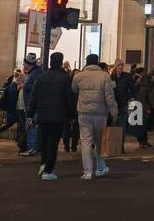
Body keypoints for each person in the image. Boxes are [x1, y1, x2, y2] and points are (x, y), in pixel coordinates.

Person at [71, 53, 118, 181]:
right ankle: (101, 168)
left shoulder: (78, 76)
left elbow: (74, 90)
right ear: (97, 62)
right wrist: (114, 112)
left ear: (86, 62)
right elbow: (109, 96)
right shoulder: (104, 76)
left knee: (86, 142)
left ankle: (87, 172)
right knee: (99, 142)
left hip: (84, 112)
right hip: (100, 113)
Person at [27, 54, 73, 180]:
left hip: (42, 114)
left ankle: (43, 163)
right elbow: (68, 98)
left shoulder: (41, 77)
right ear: (61, 62)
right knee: (53, 142)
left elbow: (33, 97)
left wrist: (30, 114)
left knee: (44, 140)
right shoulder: (64, 78)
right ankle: (48, 170)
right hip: (57, 114)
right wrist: (71, 115)